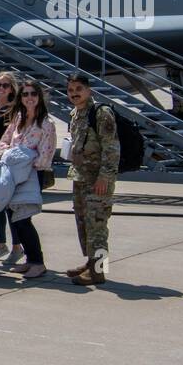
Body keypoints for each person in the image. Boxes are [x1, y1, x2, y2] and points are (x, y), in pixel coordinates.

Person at [0, 79, 57, 279]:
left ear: (39, 97)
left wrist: (25, 159)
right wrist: (12, 153)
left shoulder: (46, 124)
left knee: (24, 219)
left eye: (33, 94)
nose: (29, 98)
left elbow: (45, 155)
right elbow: (2, 141)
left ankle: (38, 262)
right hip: (13, 173)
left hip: (30, 174)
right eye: (25, 94)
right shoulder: (18, 118)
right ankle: (30, 260)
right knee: (16, 218)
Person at [66, 72, 119, 286]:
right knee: (84, 223)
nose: (74, 94)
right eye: (70, 90)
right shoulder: (76, 114)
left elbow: (112, 148)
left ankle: (99, 271)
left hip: (98, 179)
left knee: (97, 226)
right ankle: (91, 263)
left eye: (79, 89)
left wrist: (104, 177)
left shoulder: (101, 113)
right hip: (81, 177)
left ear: (88, 90)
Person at [0, 70, 23, 265]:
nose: (0, 88)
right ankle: (1, 244)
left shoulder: (13, 110)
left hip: (5, 162)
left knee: (9, 206)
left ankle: (17, 247)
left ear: (11, 89)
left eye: (5, 85)